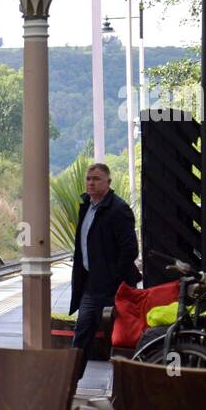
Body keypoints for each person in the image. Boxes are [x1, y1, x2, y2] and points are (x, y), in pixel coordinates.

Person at [69, 162, 139, 384]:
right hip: (92, 285)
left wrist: (114, 278)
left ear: (108, 182)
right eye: (88, 178)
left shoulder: (118, 209)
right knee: (82, 334)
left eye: (96, 179)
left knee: (118, 338)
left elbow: (130, 248)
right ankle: (68, 383)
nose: (91, 182)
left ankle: (125, 385)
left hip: (115, 287)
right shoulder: (86, 207)